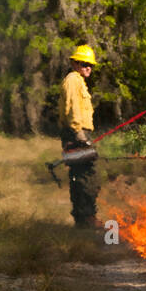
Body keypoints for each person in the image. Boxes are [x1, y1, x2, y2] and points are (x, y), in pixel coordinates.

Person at [58, 45, 100, 227]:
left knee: (82, 174)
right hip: (76, 133)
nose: (88, 67)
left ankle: (84, 218)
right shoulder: (73, 79)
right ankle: (86, 218)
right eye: (83, 63)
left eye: (90, 64)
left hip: (79, 133)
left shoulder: (79, 81)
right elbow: (73, 108)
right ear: (74, 63)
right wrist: (79, 133)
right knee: (86, 175)